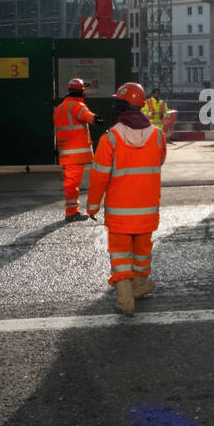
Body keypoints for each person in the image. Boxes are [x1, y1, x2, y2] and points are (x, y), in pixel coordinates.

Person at [87, 82, 166, 315]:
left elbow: (99, 176)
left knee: (120, 254)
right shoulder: (157, 135)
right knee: (142, 251)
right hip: (147, 211)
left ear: (121, 107)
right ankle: (140, 286)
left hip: (120, 213)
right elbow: (158, 162)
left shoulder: (110, 138)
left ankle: (125, 300)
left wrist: (92, 206)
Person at [53, 77, 102, 221]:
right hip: (76, 154)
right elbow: (88, 117)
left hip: (66, 152)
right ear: (81, 92)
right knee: (73, 184)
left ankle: (71, 210)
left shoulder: (61, 107)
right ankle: (71, 212)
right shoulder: (77, 106)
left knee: (70, 183)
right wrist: (97, 119)